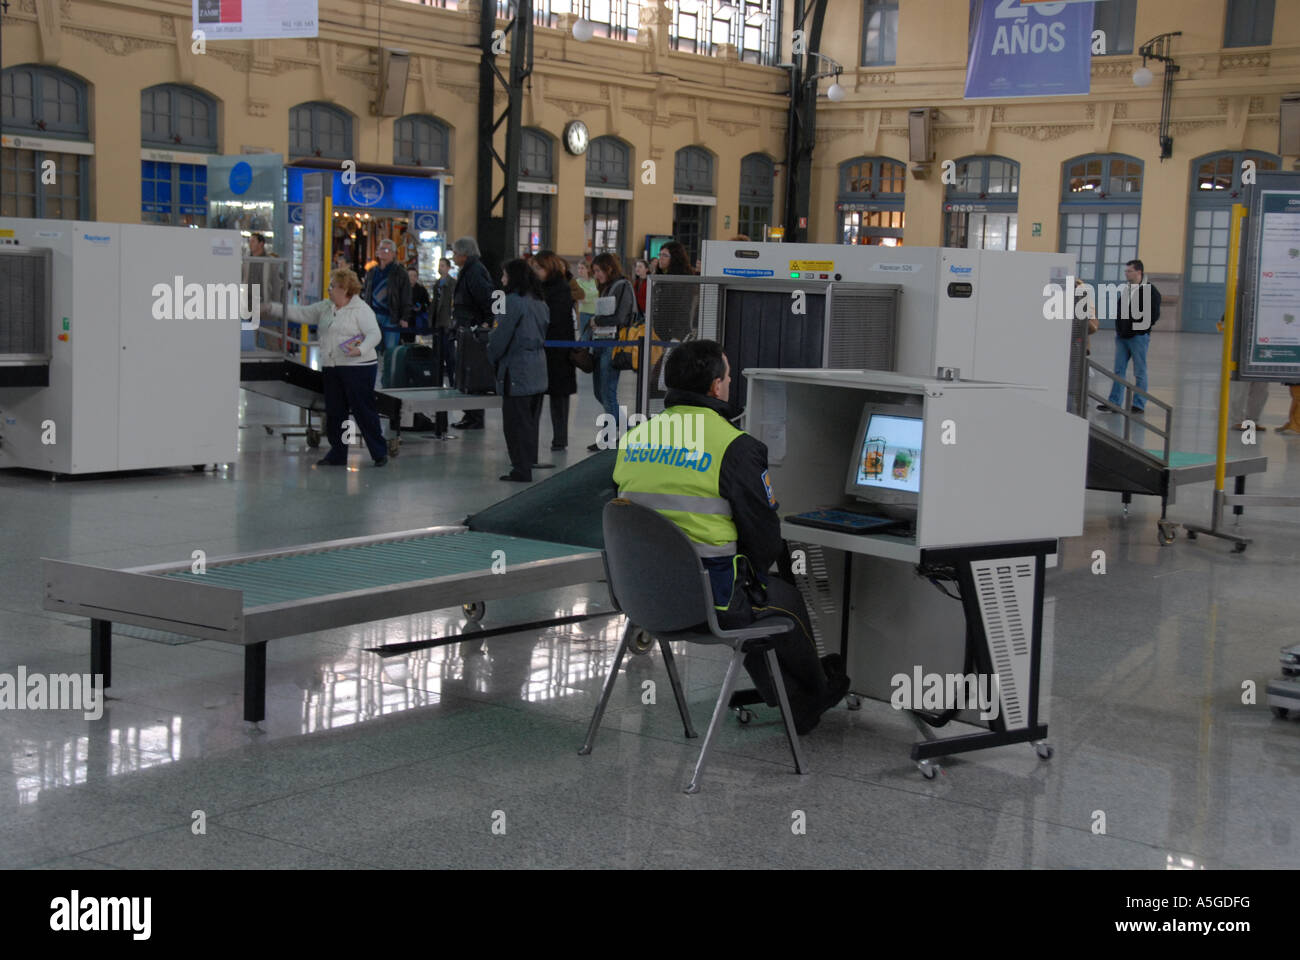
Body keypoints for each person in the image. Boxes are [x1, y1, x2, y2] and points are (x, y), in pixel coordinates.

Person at [612, 339, 850, 735]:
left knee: (755, 595)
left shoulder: (634, 438)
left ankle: (794, 697)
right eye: (725, 376)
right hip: (709, 604)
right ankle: (812, 695)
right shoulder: (735, 447)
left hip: (641, 597)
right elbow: (765, 540)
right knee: (779, 597)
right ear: (716, 387)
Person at [264, 268, 389, 467]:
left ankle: (379, 451)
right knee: (335, 411)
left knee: (363, 409)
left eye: (333, 286)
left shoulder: (361, 310)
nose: (329, 289)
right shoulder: (326, 307)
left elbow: (375, 334)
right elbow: (302, 313)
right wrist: (272, 308)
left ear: (345, 289)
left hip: (358, 367)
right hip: (332, 366)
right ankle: (337, 454)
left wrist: (360, 350)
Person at [489, 259, 550, 482]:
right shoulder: (540, 302)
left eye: (505, 275)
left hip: (517, 370)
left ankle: (521, 468)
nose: (502, 280)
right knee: (530, 422)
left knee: (515, 424)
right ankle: (527, 463)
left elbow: (499, 337)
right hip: (538, 368)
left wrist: (491, 354)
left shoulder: (512, 302)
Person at [588, 252, 636, 450]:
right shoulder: (609, 287)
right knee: (601, 392)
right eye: (595, 271)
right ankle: (627, 429)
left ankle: (614, 435)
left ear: (609, 268)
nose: (596, 275)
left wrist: (597, 321)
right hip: (603, 342)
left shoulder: (622, 286)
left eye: (598, 270)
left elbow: (620, 317)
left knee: (607, 392)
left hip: (613, 344)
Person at [1100, 259, 1161, 414]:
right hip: (1122, 337)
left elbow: (1153, 315)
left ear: (1138, 272)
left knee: (1140, 372)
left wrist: (1137, 329)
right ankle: (1114, 402)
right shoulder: (1127, 289)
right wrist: (1120, 329)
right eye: (1126, 271)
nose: (1126, 273)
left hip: (1138, 337)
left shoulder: (1150, 291)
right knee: (1118, 370)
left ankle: (1138, 404)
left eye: (1129, 271)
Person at [532, 251, 578, 452]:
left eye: (539, 268)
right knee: (536, 396)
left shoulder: (560, 288)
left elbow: (555, 319)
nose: (535, 272)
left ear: (549, 268)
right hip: (543, 349)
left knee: (559, 398)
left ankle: (560, 439)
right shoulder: (539, 288)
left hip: (558, 351)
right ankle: (530, 437)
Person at [451, 236, 496, 429]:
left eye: (455, 253)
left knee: (472, 372)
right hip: (466, 327)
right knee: (465, 371)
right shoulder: (469, 270)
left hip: (473, 328)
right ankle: (470, 414)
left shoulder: (474, 272)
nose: (453, 257)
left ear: (464, 254)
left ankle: (475, 417)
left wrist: (486, 321)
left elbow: (487, 298)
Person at [361, 239, 412, 366]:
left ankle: (389, 376)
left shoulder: (400, 272)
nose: (383, 252)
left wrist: (405, 316)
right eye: (381, 249)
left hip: (391, 316)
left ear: (394, 253)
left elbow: (406, 295)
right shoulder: (372, 272)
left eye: (387, 250)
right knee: (371, 349)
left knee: (390, 349)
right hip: (372, 315)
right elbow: (365, 292)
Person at [433, 257, 458, 386]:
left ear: (448, 268)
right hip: (438, 323)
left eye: (443, 265)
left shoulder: (452, 284)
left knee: (449, 354)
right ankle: (438, 381)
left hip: (447, 322)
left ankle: (452, 379)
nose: (440, 268)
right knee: (439, 353)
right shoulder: (437, 284)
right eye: (439, 265)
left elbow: (452, 303)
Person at [406, 267, 431, 344]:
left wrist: (421, 307)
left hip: (415, 319)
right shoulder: (401, 288)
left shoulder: (421, 289)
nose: (412, 278)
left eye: (414, 276)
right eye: (410, 275)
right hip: (403, 318)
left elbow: (427, 303)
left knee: (411, 340)